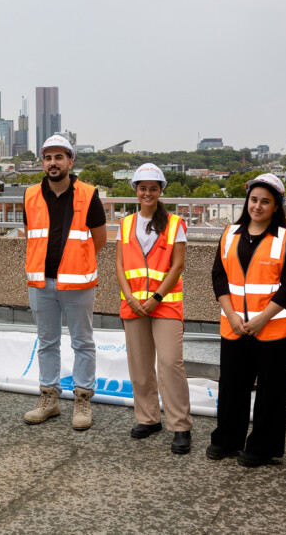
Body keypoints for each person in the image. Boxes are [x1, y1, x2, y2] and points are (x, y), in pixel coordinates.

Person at [206, 173, 286, 466]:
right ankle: (227, 439)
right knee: (232, 386)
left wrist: (262, 318)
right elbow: (219, 277)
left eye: (265, 202)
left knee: (271, 392)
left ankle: (262, 446)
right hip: (235, 326)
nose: (258, 206)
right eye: (254, 200)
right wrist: (233, 315)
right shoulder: (229, 235)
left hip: (273, 328)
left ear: (276, 207)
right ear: (246, 201)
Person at [22, 135, 107, 431]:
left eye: (59, 157)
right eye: (48, 157)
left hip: (78, 284)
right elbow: (32, 234)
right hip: (41, 283)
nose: (53, 163)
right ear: (42, 162)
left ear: (70, 161)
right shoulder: (30, 195)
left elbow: (100, 238)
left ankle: (82, 398)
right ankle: (49, 397)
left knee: (82, 342)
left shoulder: (88, 194)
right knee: (47, 343)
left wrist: (77, 262)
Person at [115, 163, 193, 454]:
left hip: (165, 304)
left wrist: (156, 297)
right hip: (133, 304)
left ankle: (180, 425)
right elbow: (120, 267)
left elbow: (178, 264)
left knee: (171, 363)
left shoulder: (175, 224)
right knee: (140, 365)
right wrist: (131, 298)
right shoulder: (125, 224)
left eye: (153, 188)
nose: (147, 192)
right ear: (135, 191)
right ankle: (148, 418)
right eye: (142, 187)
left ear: (161, 191)